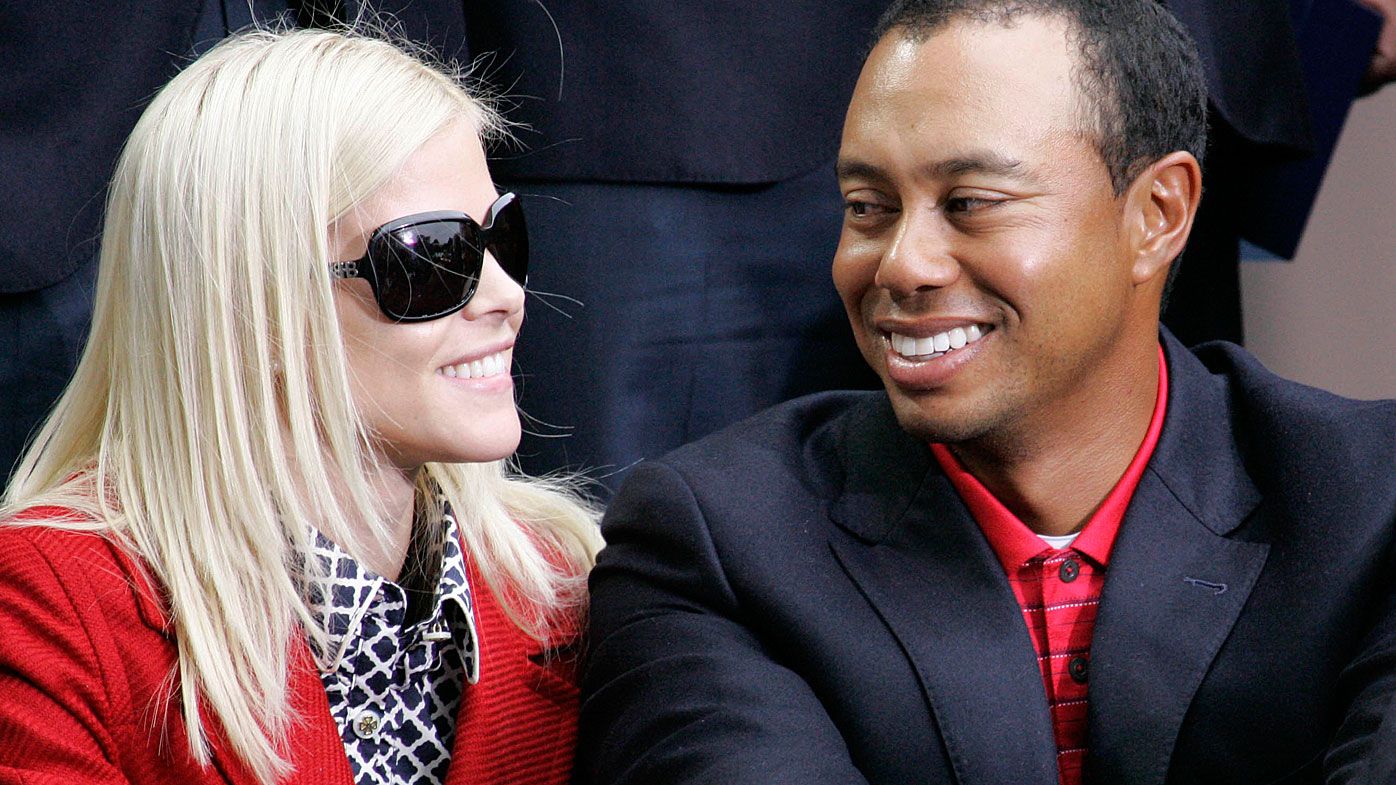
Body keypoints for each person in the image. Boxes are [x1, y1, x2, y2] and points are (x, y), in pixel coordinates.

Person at [576, 1, 1396, 784]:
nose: (901, 263)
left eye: (971, 204)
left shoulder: (1369, 501)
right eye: (868, 207)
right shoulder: (708, 546)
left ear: (1157, 212)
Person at [0, 27, 601, 785]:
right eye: (431, 256)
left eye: (501, 238)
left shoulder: (561, 584)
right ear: (259, 307)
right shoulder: (56, 604)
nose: (507, 296)